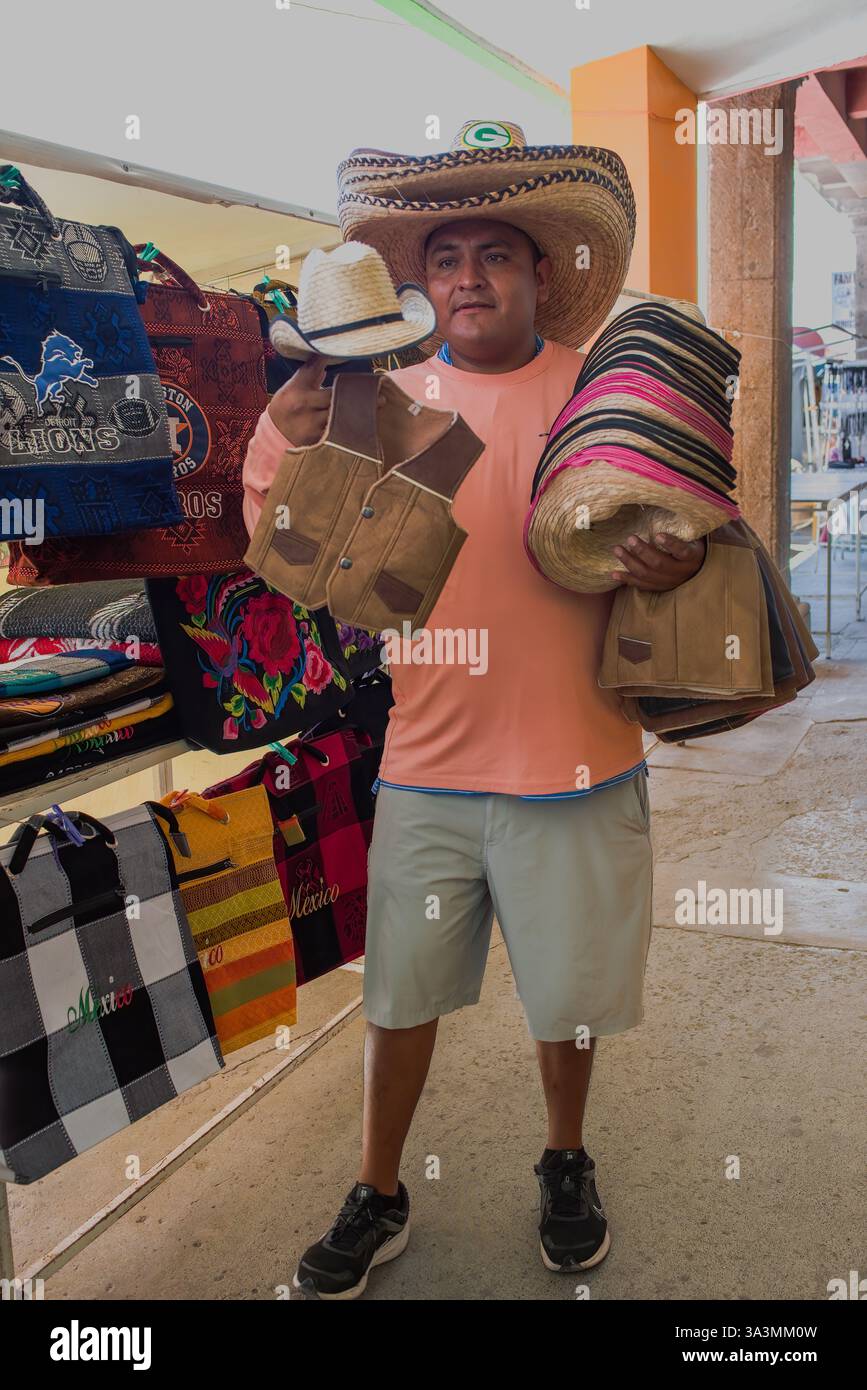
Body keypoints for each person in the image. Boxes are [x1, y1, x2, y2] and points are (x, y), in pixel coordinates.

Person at [242, 123, 706, 1300]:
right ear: (420, 277)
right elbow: (277, 537)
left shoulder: (601, 391)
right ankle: (379, 1187)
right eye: (445, 256)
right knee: (398, 1002)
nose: (466, 277)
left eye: (493, 253)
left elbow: (687, 520)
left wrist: (665, 558)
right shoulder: (372, 394)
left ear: (540, 273)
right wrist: (281, 434)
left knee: (571, 1000)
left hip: (579, 760)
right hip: (431, 767)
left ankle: (565, 1159)